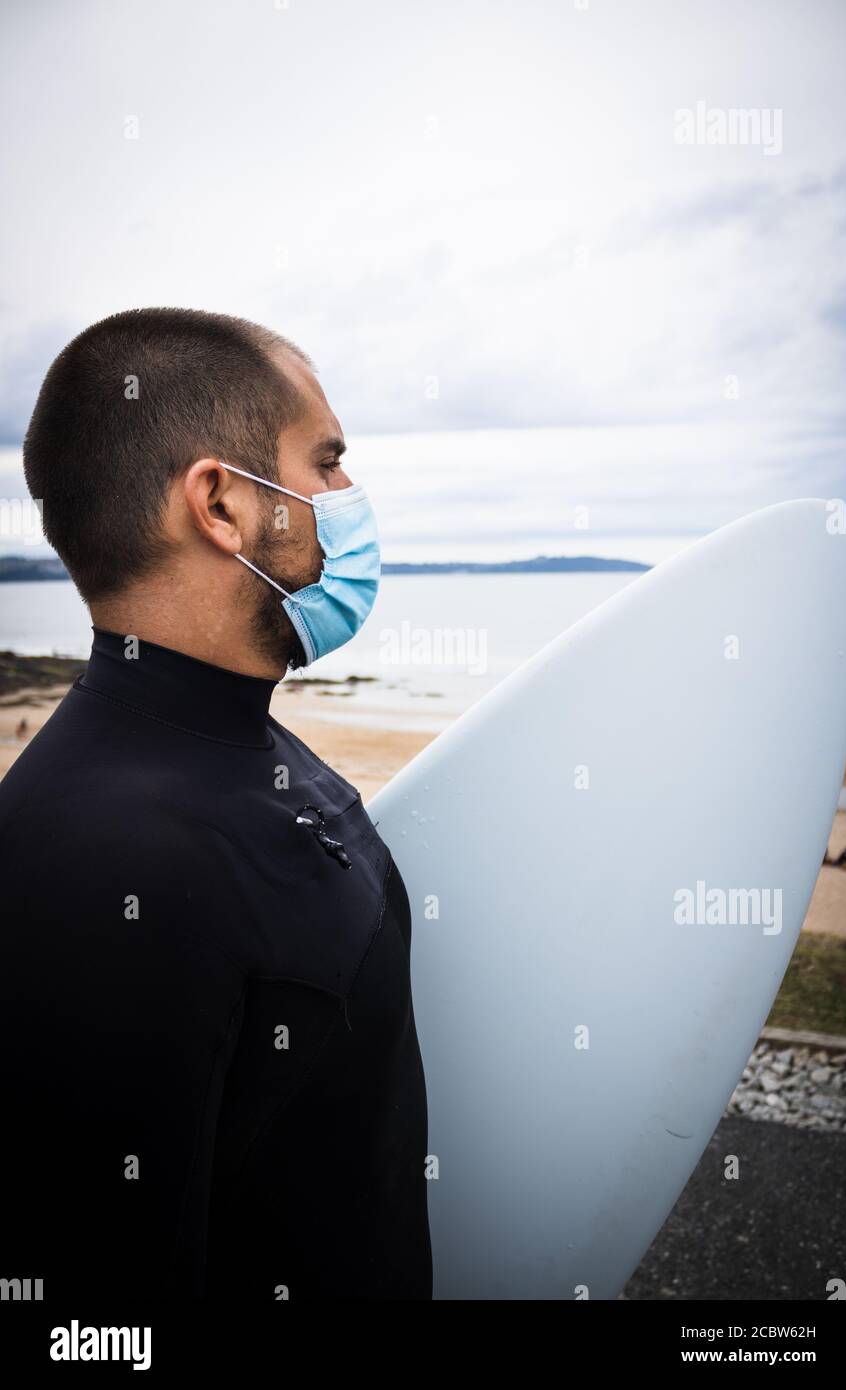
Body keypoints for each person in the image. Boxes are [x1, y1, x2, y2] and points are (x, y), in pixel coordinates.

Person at [0, 307, 432, 1301]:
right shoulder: (102, 859)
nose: (348, 495)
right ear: (223, 505)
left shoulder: (233, 747)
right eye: (326, 463)